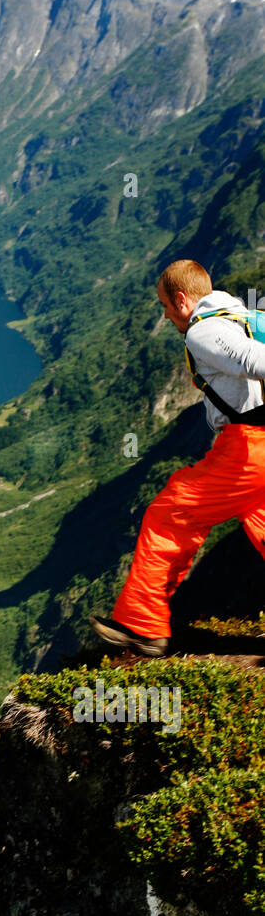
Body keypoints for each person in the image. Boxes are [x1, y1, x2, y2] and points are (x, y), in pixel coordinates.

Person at [90, 258, 265, 657]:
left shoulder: (205, 332)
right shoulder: (244, 315)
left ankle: (143, 624)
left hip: (248, 450)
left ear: (182, 299)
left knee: (171, 512)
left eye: (166, 306)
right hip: (257, 448)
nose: (166, 314)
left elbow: (256, 363)